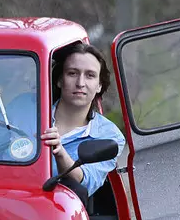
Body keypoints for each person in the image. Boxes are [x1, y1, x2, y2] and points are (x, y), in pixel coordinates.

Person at [42, 42, 125, 200]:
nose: (80, 83)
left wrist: (59, 152)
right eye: (72, 73)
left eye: (90, 75)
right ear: (59, 80)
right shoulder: (25, 107)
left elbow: (85, 183)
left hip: (57, 210)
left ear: (99, 85)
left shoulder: (109, 136)